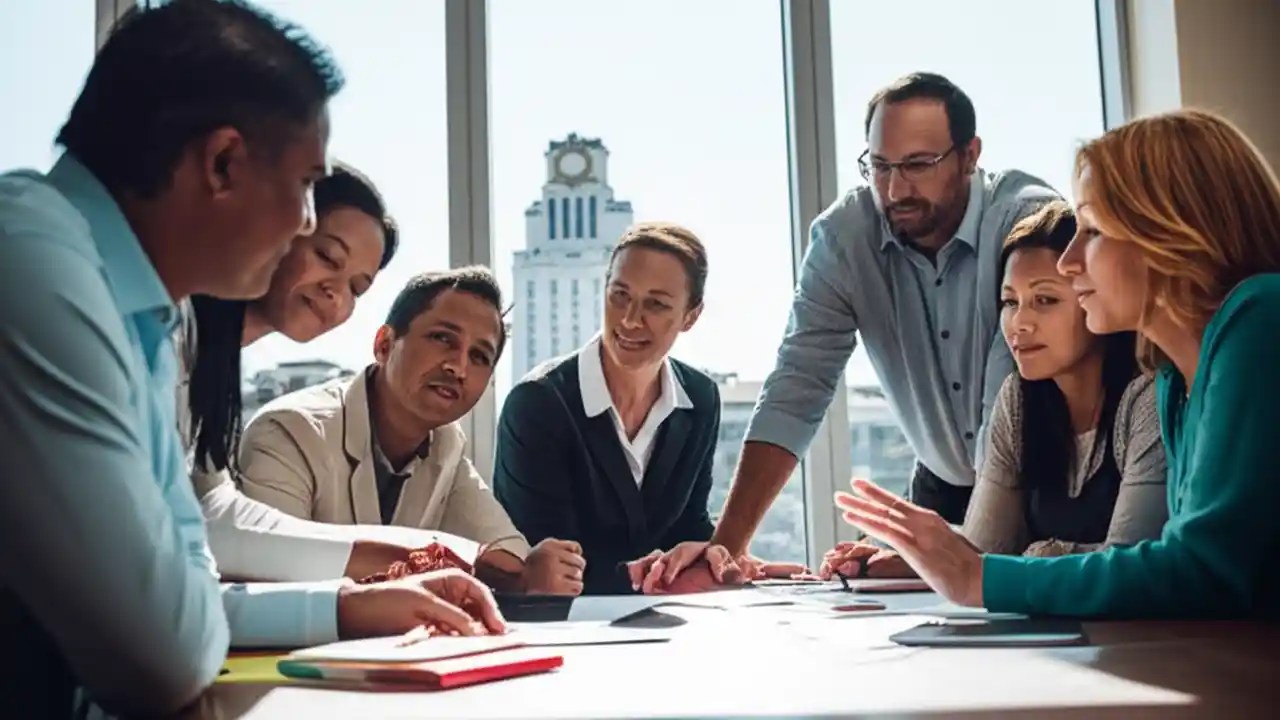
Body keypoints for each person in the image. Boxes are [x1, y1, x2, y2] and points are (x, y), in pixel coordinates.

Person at [838, 109, 1280, 619]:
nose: (1070, 262)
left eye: (1092, 230)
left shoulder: (1260, 318)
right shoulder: (1172, 382)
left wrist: (979, 577)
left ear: (1171, 231)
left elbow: (1200, 571)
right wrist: (943, 556)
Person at [639, 71, 1059, 582]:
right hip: (943, 482)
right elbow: (797, 387)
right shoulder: (845, 237)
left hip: (1041, 485)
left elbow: (1006, 403)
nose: (895, 190)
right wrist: (724, 551)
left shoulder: (1027, 221)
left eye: (918, 165)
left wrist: (945, 558)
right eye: (879, 166)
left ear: (970, 155)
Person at [822, 201, 1167, 580]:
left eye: (1045, 300)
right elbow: (987, 548)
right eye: (1009, 302)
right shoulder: (1019, 399)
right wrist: (907, 556)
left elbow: (1129, 564)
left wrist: (1037, 554)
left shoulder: (1147, 397)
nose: (1019, 323)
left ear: (1092, 296)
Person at [238, 268, 586, 595]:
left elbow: (507, 554)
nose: (458, 367)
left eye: (480, 356)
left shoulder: (445, 444)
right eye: (442, 338)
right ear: (384, 345)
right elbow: (271, 580)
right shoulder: (288, 431)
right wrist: (455, 564)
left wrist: (534, 572)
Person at [493, 223, 723, 594]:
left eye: (656, 304)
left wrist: (726, 560)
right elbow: (540, 561)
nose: (630, 319)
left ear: (690, 316)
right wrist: (642, 576)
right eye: (620, 295)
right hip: (564, 619)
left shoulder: (700, 398)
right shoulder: (536, 404)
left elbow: (689, 528)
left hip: (664, 613)